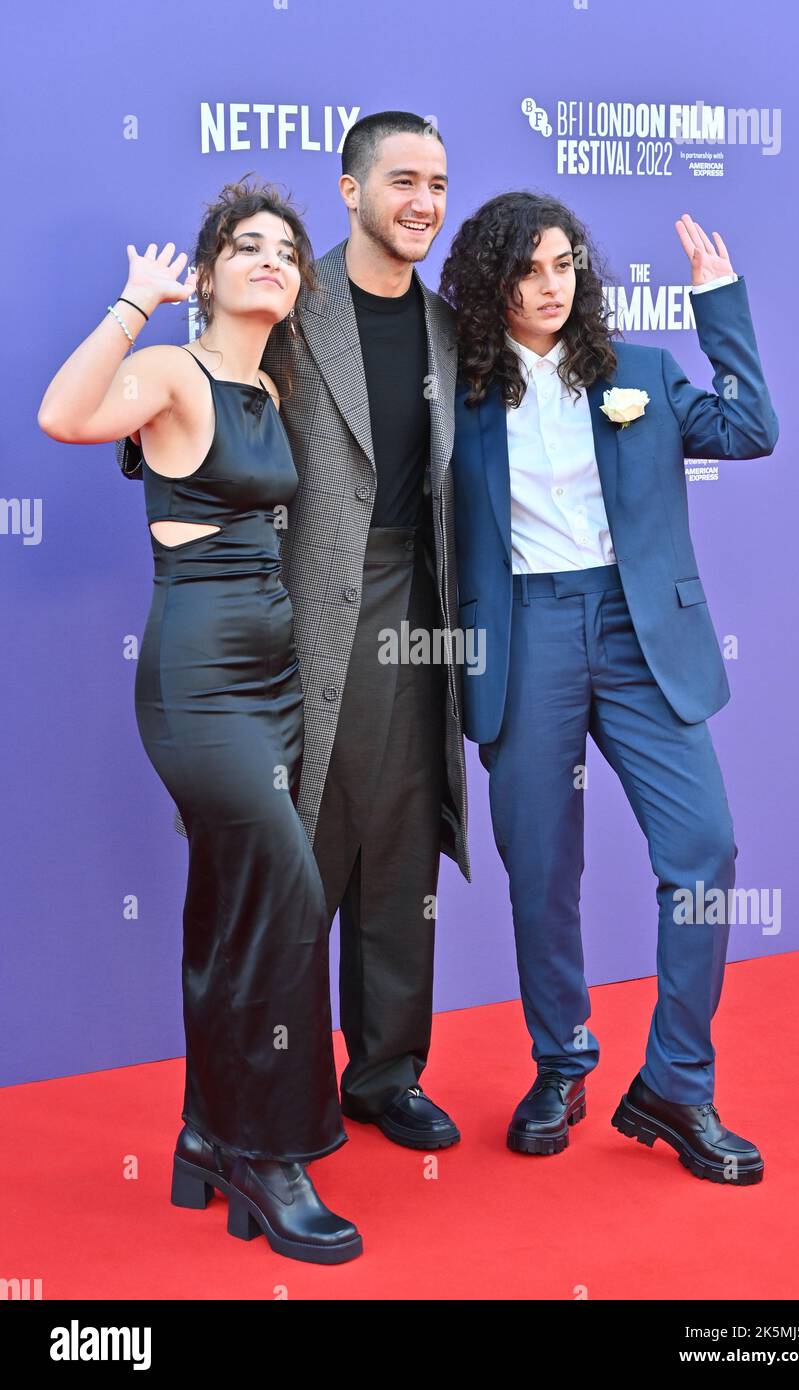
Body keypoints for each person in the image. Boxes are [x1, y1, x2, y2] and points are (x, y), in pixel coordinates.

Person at [118, 113, 471, 1151]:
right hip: (305, 611)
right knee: (300, 846)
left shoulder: (451, 327)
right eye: (402, 179)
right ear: (352, 190)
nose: (423, 201)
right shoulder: (290, 300)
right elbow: (204, 414)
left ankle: (388, 1070)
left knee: (403, 843)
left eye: (439, 183)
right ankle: (265, 1100)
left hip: (425, 609)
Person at [38, 178, 362, 1261]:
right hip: (199, 681)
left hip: (271, 679)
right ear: (211, 271)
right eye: (248, 245)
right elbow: (65, 416)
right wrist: (135, 303)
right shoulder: (178, 371)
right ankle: (271, 1154)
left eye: (287, 250)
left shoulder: (268, 393)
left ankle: (207, 1135)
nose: (272, 258)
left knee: (232, 906)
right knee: (290, 888)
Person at [441, 196, 778, 1184]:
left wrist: (716, 298)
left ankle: (678, 1080)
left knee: (705, 848)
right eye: (527, 271)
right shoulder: (454, 395)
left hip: (642, 633)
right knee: (542, 870)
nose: (551, 286)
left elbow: (752, 425)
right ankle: (561, 1062)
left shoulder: (641, 373)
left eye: (563, 266)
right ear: (489, 286)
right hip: (525, 632)